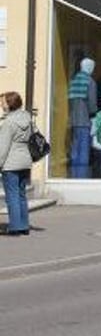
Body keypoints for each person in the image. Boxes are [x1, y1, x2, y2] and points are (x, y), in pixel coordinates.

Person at [0, 91, 33, 235]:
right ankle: (24, 225)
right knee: (21, 195)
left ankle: (14, 227)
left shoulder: (9, 122)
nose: (1, 105)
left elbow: (3, 147)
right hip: (25, 161)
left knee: (11, 196)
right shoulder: (27, 118)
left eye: (3, 102)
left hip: (11, 163)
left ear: (9, 104)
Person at [68, 57, 97, 178]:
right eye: (92, 67)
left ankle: (74, 174)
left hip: (74, 120)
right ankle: (82, 176)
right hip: (85, 121)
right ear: (89, 67)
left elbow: (70, 101)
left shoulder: (73, 80)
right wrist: (94, 116)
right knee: (84, 150)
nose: (93, 70)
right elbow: (92, 103)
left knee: (75, 149)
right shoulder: (90, 81)